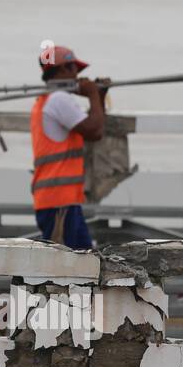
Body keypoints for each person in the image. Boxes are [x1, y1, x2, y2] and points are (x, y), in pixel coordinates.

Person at [30, 45, 108, 249]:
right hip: (59, 201)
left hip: (58, 200)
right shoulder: (59, 100)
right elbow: (95, 131)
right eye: (75, 70)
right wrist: (92, 94)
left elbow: (92, 126)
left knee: (82, 261)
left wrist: (99, 96)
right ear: (64, 69)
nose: (78, 76)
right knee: (68, 268)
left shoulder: (45, 100)